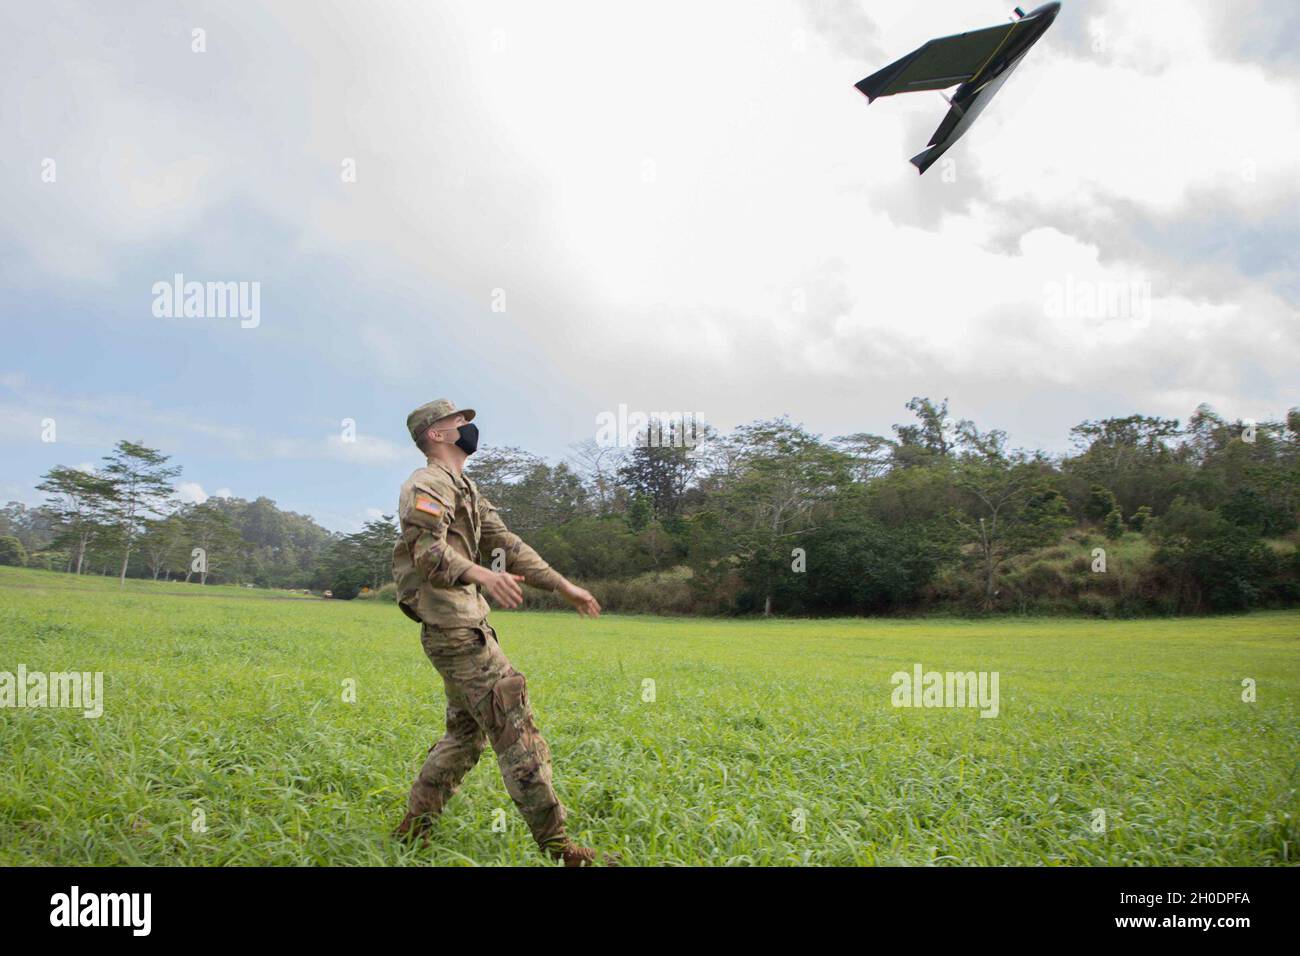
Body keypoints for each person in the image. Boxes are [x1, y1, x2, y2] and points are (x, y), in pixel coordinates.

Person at [391, 399, 614, 866]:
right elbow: (429, 556)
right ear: (435, 434)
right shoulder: (426, 485)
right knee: (517, 728)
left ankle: (413, 830)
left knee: (465, 736)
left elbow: (508, 546)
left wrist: (563, 586)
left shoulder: (465, 489)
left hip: (464, 626)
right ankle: (560, 850)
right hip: (454, 629)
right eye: (459, 422)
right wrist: (482, 575)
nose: (468, 427)